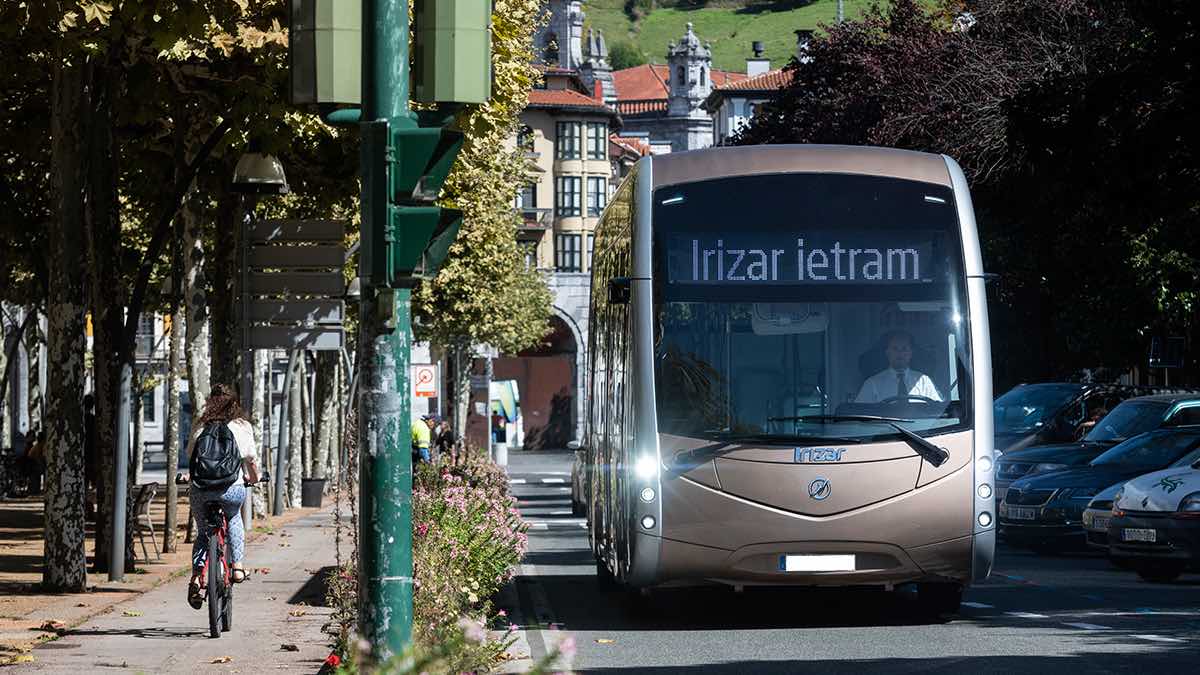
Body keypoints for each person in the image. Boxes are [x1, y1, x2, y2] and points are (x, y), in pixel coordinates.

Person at [183, 384, 259, 610]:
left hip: (201, 489)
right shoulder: (242, 426)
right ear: (233, 404)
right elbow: (251, 461)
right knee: (234, 517)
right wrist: (253, 479)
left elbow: (191, 457)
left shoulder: (200, 426)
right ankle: (237, 567)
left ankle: (197, 577)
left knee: (204, 531)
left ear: (209, 403)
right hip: (231, 488)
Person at [856, 330, 942, 403]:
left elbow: (937, 410)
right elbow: (859, 413)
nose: (900, 353)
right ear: (887, 352)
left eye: (904, 349)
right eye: (895, 349)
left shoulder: (924, 381)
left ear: (911, 353)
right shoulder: (872, 383)